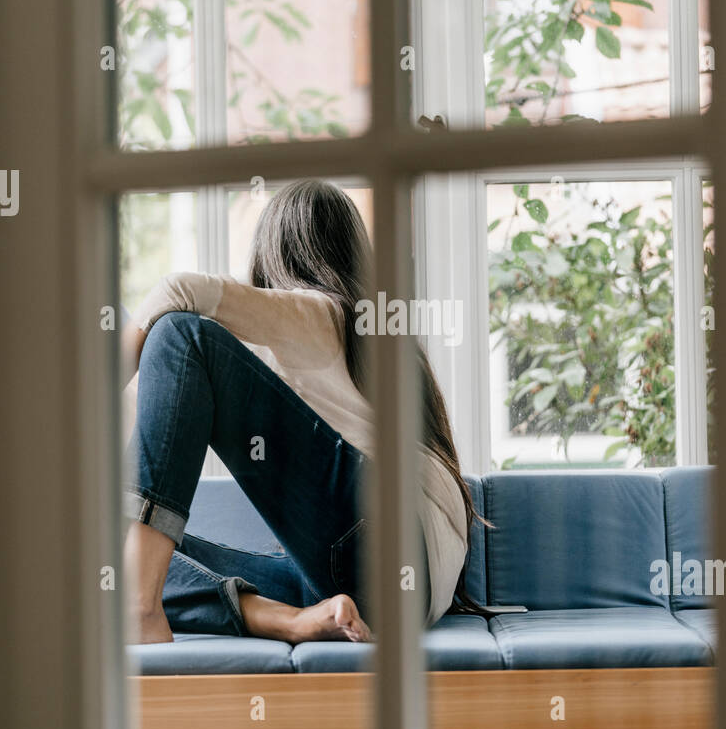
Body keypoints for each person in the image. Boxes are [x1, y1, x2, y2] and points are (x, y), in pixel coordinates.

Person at [121, 178, 477, 646]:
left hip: (381, 545)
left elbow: (179, 291)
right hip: (373, 594)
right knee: (119, 551)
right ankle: (289, 618)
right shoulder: (377, 344)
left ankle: (139, 607)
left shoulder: (321, 313)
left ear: (274, 254)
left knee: (179, 335)